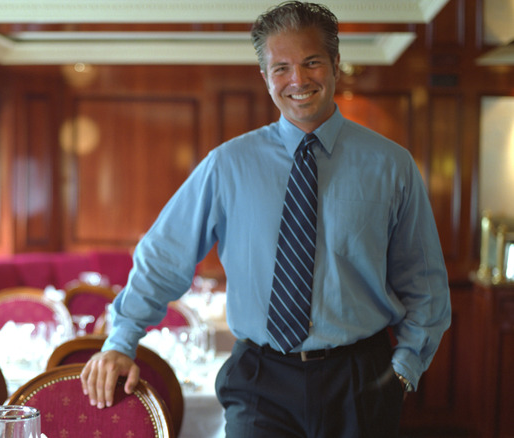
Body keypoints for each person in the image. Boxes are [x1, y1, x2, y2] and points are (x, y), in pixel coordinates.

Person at [80, 1, 451, 437]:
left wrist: (404, 370)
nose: (298, 80)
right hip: (261, 379)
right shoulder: (228, 166)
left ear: (336, 64)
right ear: (264, 77)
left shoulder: (392, 166)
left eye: (312, 62)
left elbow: (425, 284)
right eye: (281, 68)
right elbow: (164, 257)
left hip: (360, 379)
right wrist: (121, 341)